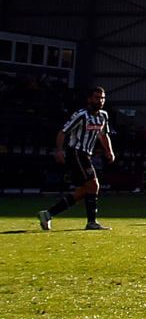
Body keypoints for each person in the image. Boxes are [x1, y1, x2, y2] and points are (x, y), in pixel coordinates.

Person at [38, 86, 115, 231]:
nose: (100, 101)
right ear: (89, 99)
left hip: (86, 154)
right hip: (77, 153)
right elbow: (62, 132)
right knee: (94, 186)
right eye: (97, 98)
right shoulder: (81, 115)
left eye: (102, 98)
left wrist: (109, 151)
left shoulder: (103, 116)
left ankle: (48, 214)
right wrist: (60, 151)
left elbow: (103, 135)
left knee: (83, 192)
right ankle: (92, 222)